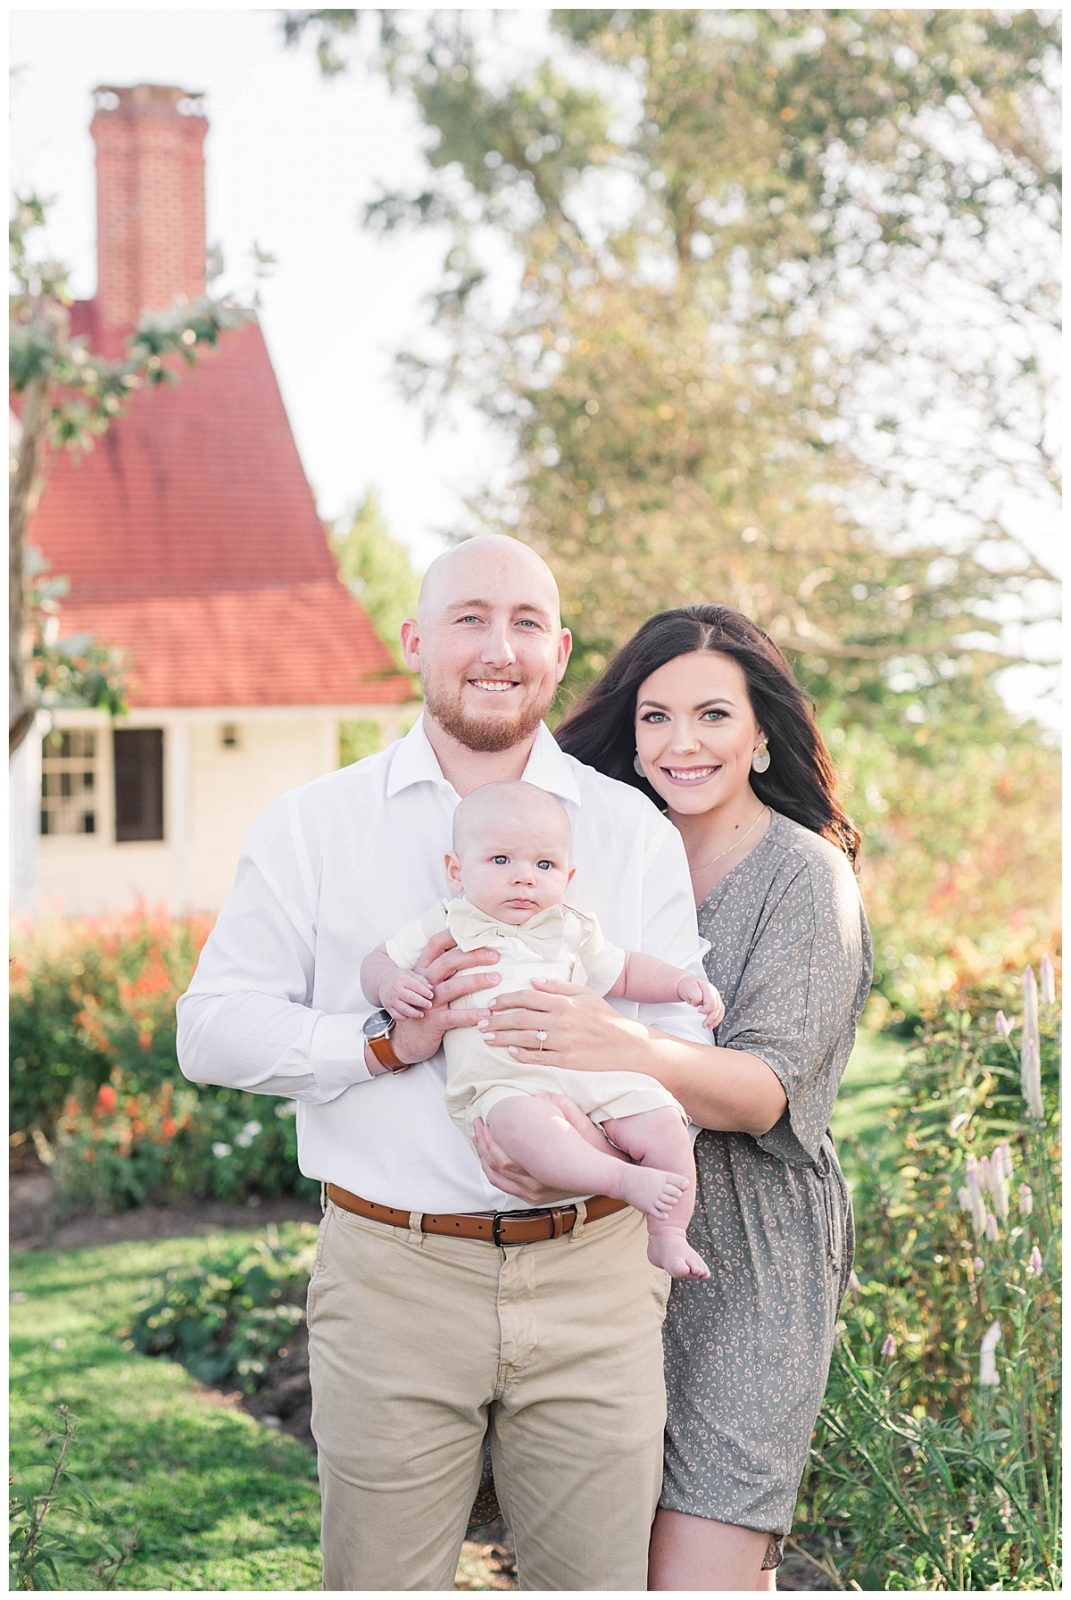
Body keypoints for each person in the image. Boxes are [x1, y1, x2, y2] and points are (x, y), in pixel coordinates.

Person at [175, 536, 715, 1592]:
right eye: (469, 617)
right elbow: (213, 1028)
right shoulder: (314, 826)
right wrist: (381, 1044)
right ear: (417, 640)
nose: (497, 647)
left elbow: (683, 1044)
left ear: (557, 653)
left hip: (595, 1273)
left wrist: (590, 1136)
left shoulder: (628, 829)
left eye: (525, 624)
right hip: (395, 1275)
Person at [471, 603, 872, 1591]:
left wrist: (624, 1043)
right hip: (597, 1235)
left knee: (701, 1567)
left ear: (763, 731)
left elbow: (765, 1094)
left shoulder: (803, 877)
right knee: (589, 1561)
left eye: (712, 716)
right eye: (655, 716)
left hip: (748, 1254)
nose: (680, 743)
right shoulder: (585, 854)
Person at [362, 778, 724, 1278]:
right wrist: (390, 986)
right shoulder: (451, 924)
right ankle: (623, 1181)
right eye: (501, 861)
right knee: (527, 1131)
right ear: (456, 870)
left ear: (568, 875)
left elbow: (625, 972)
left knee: (664, 1118)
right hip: (503, 1084)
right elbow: (377, 960)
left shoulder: (571, 927)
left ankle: (667, 1234)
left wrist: (681, 983)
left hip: (587, 1069)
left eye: (544, 865)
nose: (524, 879)